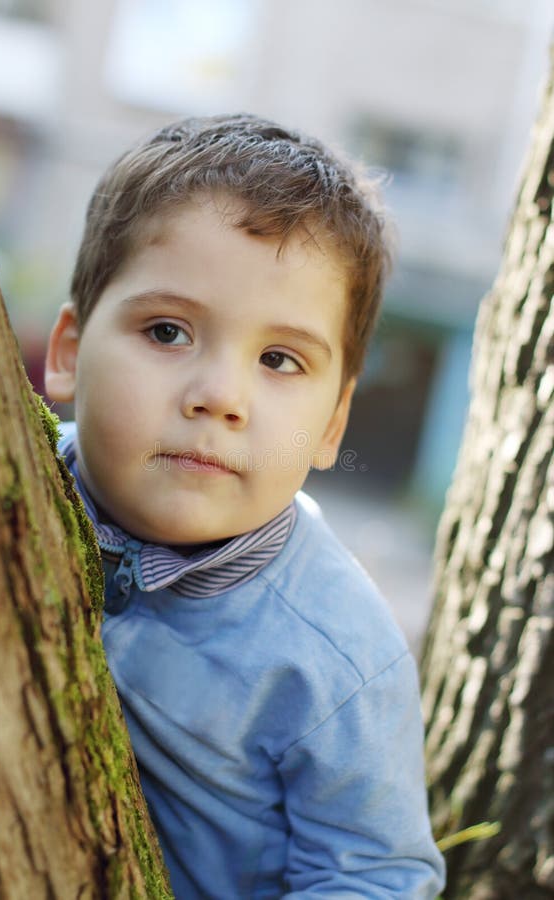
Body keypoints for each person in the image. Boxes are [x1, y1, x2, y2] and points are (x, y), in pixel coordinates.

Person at [45, 113, 446, 898]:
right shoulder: (12, 479)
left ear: (333, 423)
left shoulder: (335, 657)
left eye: (279, 359)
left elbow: (377, 875)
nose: (220, 397)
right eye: (167, 332)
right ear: (67, 353)